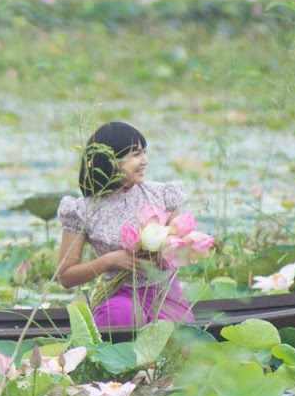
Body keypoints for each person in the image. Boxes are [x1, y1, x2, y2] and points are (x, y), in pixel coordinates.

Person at [55, 121, 194, 327]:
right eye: (136, 155)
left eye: (144, 153)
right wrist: (110, 260)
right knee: (122, 315)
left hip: (165, 292)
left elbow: (183, 246)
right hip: (121, 295)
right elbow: (66, 277)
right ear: (111, 160)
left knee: (178, 333)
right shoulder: (83, 210)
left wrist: (165, 251)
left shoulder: (160, 195)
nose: (145, 161)